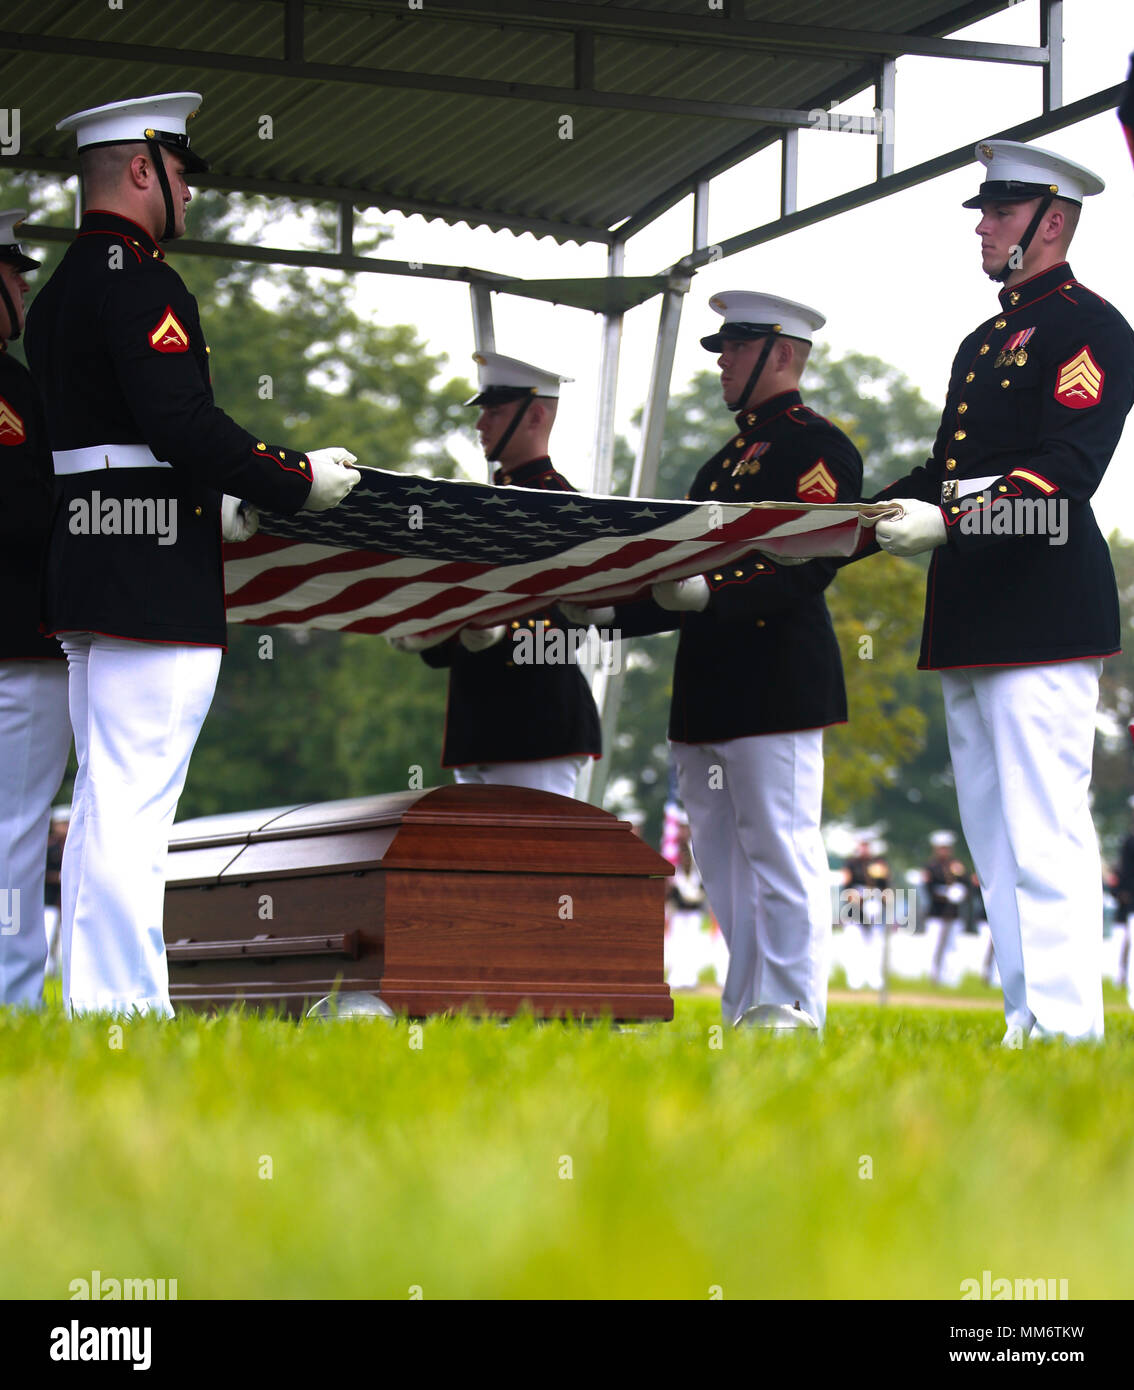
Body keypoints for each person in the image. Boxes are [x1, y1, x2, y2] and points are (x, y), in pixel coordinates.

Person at [23, 93, 361, 1017]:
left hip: (91, 561)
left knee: (103, 800)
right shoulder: (144, 282)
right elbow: (178, 420)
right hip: (150, 579)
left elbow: (101, 446)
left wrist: (204, 503)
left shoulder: (54, 296)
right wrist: (289, 478)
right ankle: (124, 1010)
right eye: (178, 173)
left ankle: (92, 1003)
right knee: (135, 806)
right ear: (142, 170)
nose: (188, 192)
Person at [859, 141, 1134, 1043]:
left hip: (1042, 606)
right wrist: (844, 525)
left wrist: (954, 523)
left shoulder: (1089, 327)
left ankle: (1066, 1030)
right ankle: (1026, 1022)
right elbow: (947, 467)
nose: (983, 226)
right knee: (994, 839)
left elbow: (1064, 474)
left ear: (1050, 223)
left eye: (1001, 212)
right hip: (973, 613)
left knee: (1045, 827)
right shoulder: (984, 341)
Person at [567, 292, 863, 1029]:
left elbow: (807, 561)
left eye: (736, 347)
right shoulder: (720, 463)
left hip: (775, 686)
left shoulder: (818, 448)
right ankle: (747, 1011)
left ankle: (793, 1012)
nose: (723, 361)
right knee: (726, 870)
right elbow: (676, 581)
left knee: (781, 857)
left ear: (783, 354)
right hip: (708, 692)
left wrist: (710, 589)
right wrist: (611, 611)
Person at [390, 352, 601, 796]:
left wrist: (502, 632)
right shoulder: (476, 510)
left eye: (495, 410)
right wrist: (429, 628)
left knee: (537, 863)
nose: (481, 423)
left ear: (536, 414)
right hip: (476, 728)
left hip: (538, 728)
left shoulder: (567, 509)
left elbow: (574, 623)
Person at [0, 210, 73, 1007]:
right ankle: (10, 1003)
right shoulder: (14, 390)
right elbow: (30, 508)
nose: (23, 283)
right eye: (12, 273)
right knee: (14, 837)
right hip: (20, 642)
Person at [842, 836, 888, 991]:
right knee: (855, 946)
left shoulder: (879, 864)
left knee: (875, 946)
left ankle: (875, 979)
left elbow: (886, 888)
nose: (864, 849)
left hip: (875, 911)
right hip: (855, 911)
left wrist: (878, 896)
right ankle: (855, 980)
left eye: (867, 845)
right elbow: (847, 889)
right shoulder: (850, 864)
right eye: (862, 845)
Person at [922, 830, 968, 987]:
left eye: (946, 848)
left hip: (953, 914)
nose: (944, 851)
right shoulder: (931, 867)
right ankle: (933, 976)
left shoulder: (957, 866)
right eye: (941, 848)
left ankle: (950, 979)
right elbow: (929, 889)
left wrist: (960, 893)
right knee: (934, 945)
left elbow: (966, 884)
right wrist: (946, 894)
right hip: (936, 913)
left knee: (952, 946)